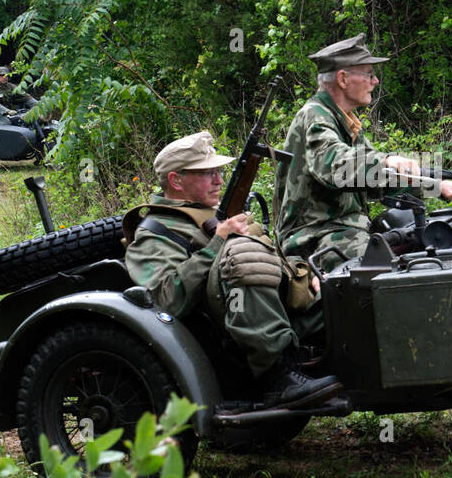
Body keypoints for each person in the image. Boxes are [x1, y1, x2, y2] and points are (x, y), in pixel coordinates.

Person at [124, 131, 341, 409]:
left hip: (272, 311)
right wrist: (218, 243)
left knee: (348, 294)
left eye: (218, 171)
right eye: (206, 173)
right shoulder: (155, 233)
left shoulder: (207, 214)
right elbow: (165, 301)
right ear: (175, 180)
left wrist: (303, 275)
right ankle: (277, 378)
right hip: (225, 342)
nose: (218, 180)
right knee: (242, 255)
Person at [275, 33, 452, 272]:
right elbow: (335, 165)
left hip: (343, 229)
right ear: (343, 79)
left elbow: (377, 179)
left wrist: (439, 185)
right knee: (376, 269)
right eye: (369, 74)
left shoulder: (346, 121)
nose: (375, 82)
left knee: (423, 240)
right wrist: (387, 159)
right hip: (312, 236)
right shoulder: (315, 115)